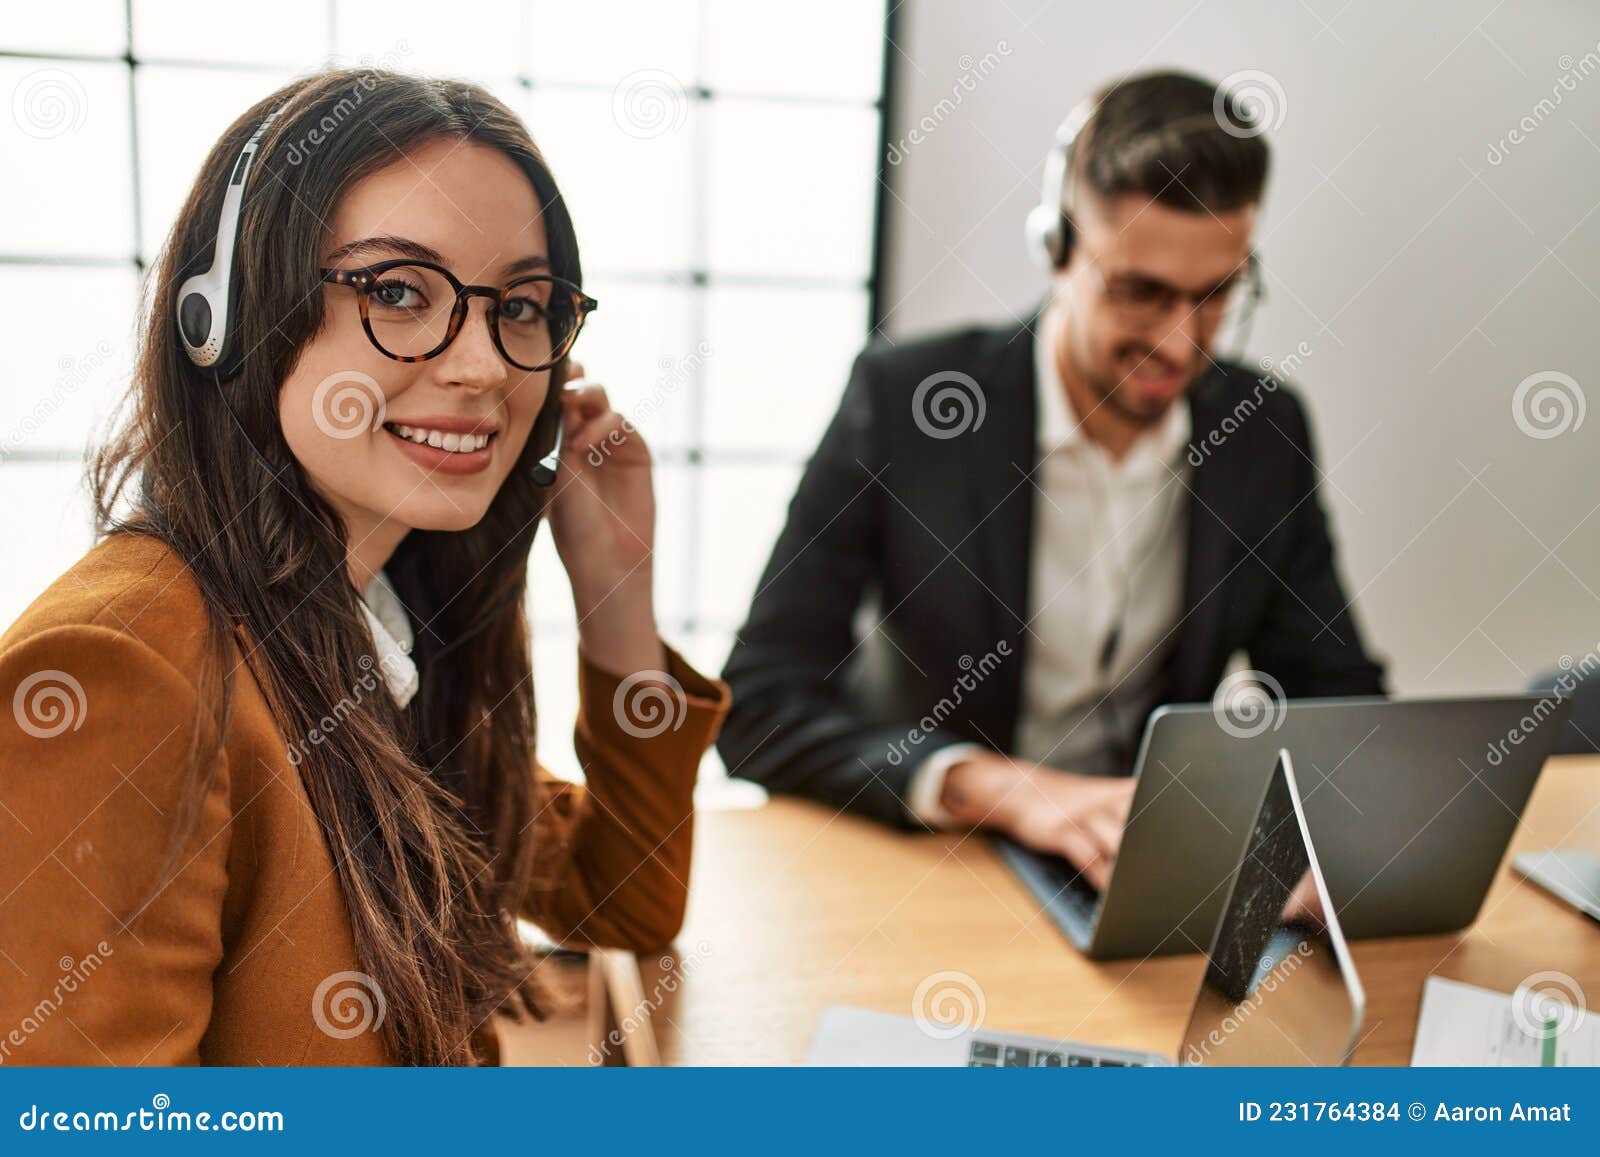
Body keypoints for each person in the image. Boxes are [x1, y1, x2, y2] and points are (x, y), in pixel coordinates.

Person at [0, 68, 727, 1066]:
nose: (479, 365)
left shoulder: (378, 608)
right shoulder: (124, 669)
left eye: (522, 305)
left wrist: (615, 596)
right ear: (230, 316)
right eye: (396, 290)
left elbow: (627, 896)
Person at [719, 70, 1384, 894]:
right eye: (1141, 292)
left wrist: (1322, 836)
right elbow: (755, 704)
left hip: (1134, 873)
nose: (1180, 345)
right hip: (930, 861)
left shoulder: (1264, 428)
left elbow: (1334, 696)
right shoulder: (908, 402)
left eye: (1215, 295)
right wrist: (996, 788)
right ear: (1056, 248)